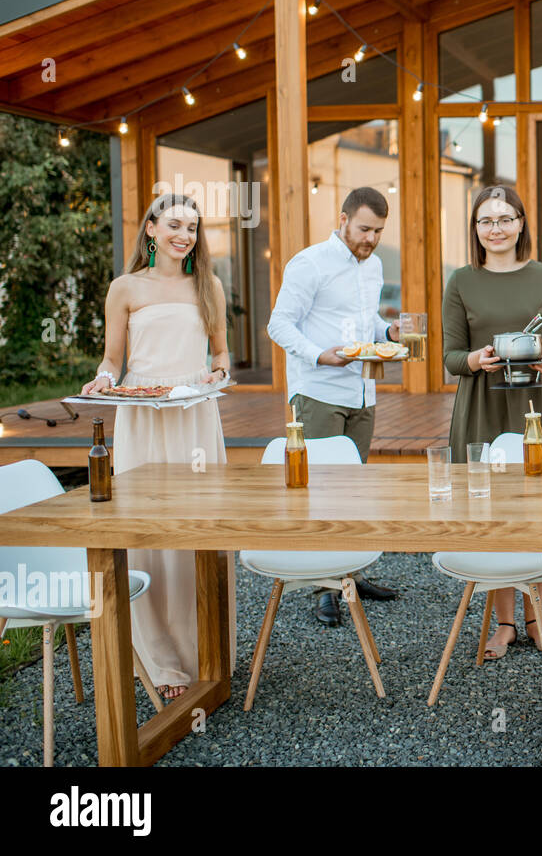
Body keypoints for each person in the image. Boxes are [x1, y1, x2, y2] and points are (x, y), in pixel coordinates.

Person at [81, 193, 233, 702]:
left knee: (197, 528)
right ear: (150, 229)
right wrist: (103, 381)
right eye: (173, 224)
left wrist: (218, 373)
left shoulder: (207, 284)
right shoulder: (124, 288)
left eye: (191, 227)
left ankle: (210, 652)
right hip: (142, 418)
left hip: (194, 414)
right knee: (145, 532)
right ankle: (161, 659)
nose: (183, 235)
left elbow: (220, 353)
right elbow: (111, 360)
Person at [442, 184, 542, 659]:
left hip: (535, 403)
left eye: (504, 218)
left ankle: (537, 617)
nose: (495, 228)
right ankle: (504, 623)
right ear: (475, 229)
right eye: (485, 221)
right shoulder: (460, 280)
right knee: (490, 514)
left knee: (539, 509)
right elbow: (449, 357)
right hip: (482, 404)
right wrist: (475, 359)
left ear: (521, 223)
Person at [266, 186, 401, 626]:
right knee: (320, 489)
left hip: (362, 390)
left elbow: (367, 324)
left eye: (379, 231)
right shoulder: (310, 263)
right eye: (364, 229)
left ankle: (350, 574)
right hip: (318, 390)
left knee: (352, 488)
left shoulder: (375, 265)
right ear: (342, 219)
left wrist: (388, 333)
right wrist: (320, 354)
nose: (371, 239)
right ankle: (325, 587)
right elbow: (278, 324)